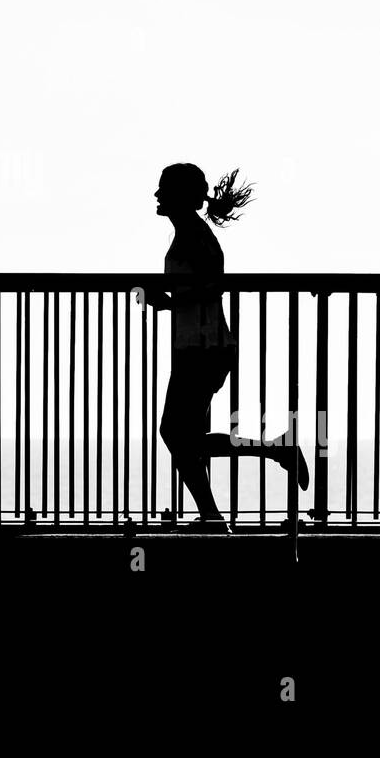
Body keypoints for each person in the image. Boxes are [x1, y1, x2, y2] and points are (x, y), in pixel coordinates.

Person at [142, 163, 308, 532]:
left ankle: (223, 506)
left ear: (180, 196)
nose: (157, 195)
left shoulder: (196, 236)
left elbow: (208, 287)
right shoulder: (191, 233)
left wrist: (168, 302)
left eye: (164, 188)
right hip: (198, 346)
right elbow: (197, 287)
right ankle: (215, 513)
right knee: (182, 437)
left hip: (205, 347)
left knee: (175, 434)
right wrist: (170, 298)